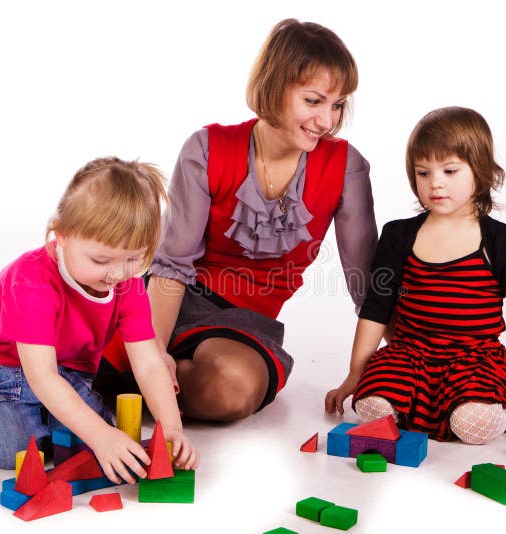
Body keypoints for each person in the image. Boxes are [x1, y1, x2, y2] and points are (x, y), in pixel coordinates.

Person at [97, 18, 378, 421]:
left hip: (243, 326)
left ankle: (118, 390)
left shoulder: (346, 167)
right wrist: (152, 355)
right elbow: (173, 268)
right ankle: (88, 371)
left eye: (337, 104)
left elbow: (366, 283)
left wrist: (409, 359)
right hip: (168, 302)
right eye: (313, 101)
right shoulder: (207, 149)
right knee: (73, 347)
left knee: (229, 390)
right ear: (274, 86)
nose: (327, 120)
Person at [0, 157, 199, 482]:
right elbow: (41, 376)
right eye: (101, 259)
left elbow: (150, 363)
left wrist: (171, 428)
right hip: (4, 368)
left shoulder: (129, 284)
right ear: (62, 235)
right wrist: (101, 437)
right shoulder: (32, 280)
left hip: (68, 371)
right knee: (11, 449)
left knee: (92, 443)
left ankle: (47, 424)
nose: (117, 272)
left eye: (134, 258)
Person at [325, 107, 506, 444]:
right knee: (370, 405)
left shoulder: (502, 241)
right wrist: (354, 375)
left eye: (450, 170)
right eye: (423, 173)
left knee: (473, 425)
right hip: (409, 355)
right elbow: (375, 309)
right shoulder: (399, 236)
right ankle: (417, 409)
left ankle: (457, 410)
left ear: (480, 172)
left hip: (475, 360)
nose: (435, 182)